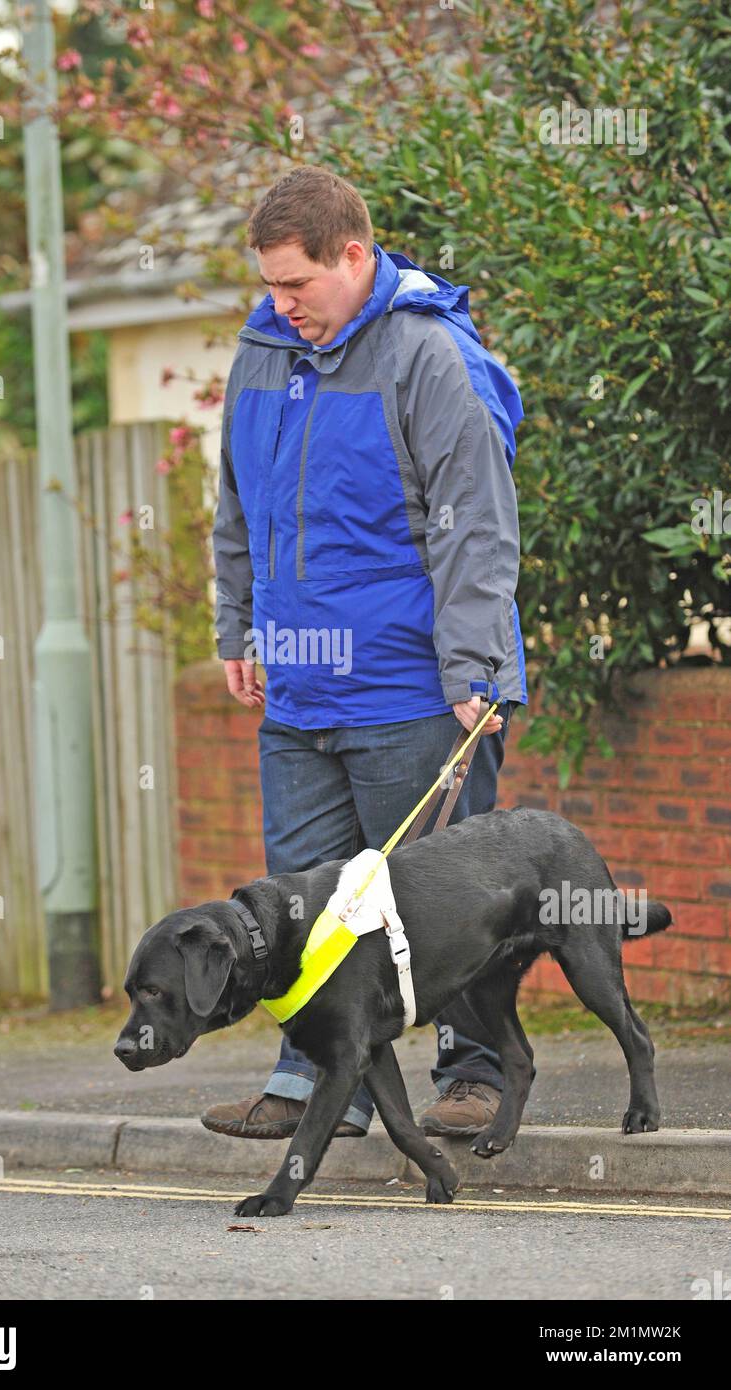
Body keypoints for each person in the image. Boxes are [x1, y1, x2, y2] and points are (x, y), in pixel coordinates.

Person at [202, 165, 531, 1142]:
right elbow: (237, 504)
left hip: (411, 694)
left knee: (440, 902)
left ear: (353, 255)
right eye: (267, 284)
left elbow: (476, 529)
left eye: (295, 283)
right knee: (302, 904)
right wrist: (236, 625)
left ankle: (474, 1071)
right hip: (299, 697)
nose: (279, 303)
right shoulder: (262, 353)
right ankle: (312, 1086)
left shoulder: (431, 359)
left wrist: (476, 671)